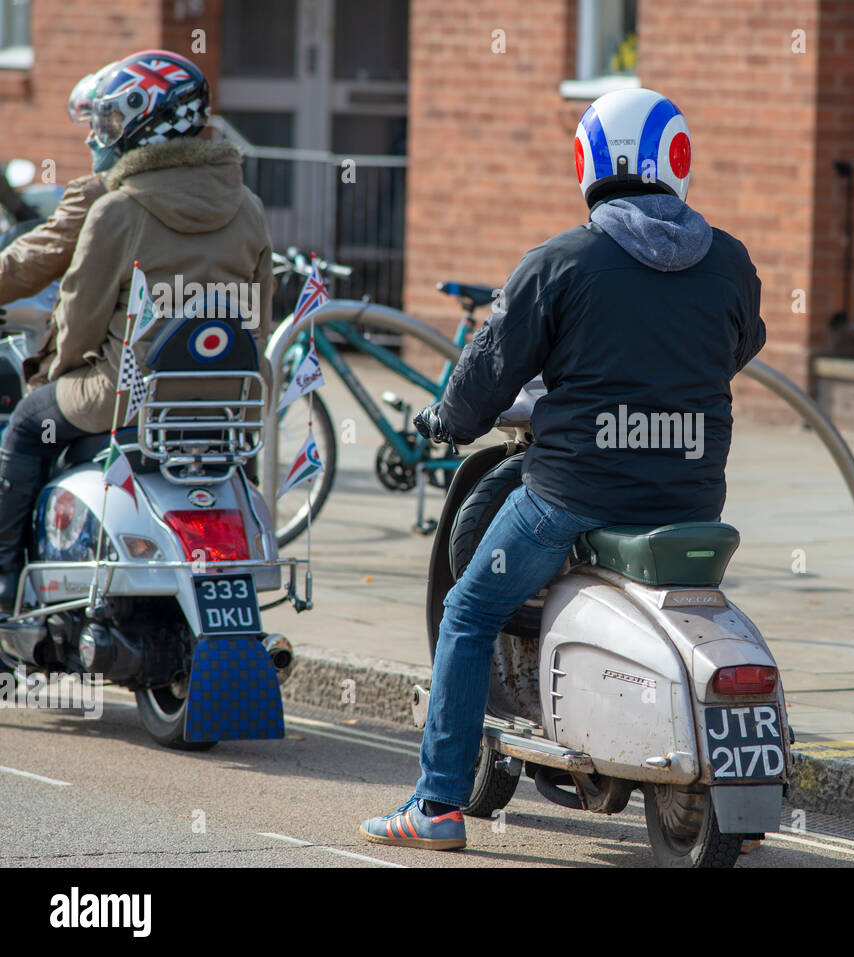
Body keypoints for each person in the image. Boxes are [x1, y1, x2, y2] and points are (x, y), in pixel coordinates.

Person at [359, 88, 766, 851]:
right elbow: (737, 348)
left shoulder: (560, 262)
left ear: (587, 163)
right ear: (678, 160)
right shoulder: (731, 263)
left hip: (571, 495)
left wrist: (449, 421)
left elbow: (485, 375)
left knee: (470, 610)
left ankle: (437, 804)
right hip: (689, 493)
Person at [0, 50, 274, 605]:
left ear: (148, 122)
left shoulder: (118, 209)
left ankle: (4, 576)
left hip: (125, 398)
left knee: (29, 422)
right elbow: (259, 315)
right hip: (230, 401)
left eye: (112, 122)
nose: (101, 136)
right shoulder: (248, 205)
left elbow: (80, 317)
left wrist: (53, 372)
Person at [0, 64, 115, 318]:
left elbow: (30, 262)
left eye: (106, 126)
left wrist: (58, 357)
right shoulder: (221, 188)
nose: (91, 138)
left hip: (116, 354)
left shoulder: (97, 196)